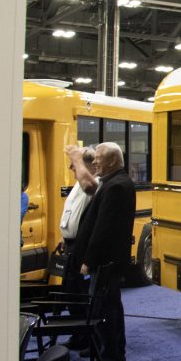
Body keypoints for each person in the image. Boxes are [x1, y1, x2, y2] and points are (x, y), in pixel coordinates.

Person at [73, 142, 136, 361]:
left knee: (106, 314)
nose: (95, 162)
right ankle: (111, 358)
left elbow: (104, 228)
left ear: (111, 161)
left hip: (106, 264)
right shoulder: (113, 183)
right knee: (109, 311)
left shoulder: (116, 186)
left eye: (98, 158)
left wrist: (89, 260)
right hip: (108, 264)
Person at [60, 146, 99, 345]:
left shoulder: (94, 182)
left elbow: (90, 188)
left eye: (75, 165)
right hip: (70, 245)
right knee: (71, 292)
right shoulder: (79, 182)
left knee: (77, 294)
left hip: (80, 247)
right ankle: (79, 334)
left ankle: (85, 336)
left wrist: (77, 159)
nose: (71, 168)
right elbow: (73, 212)